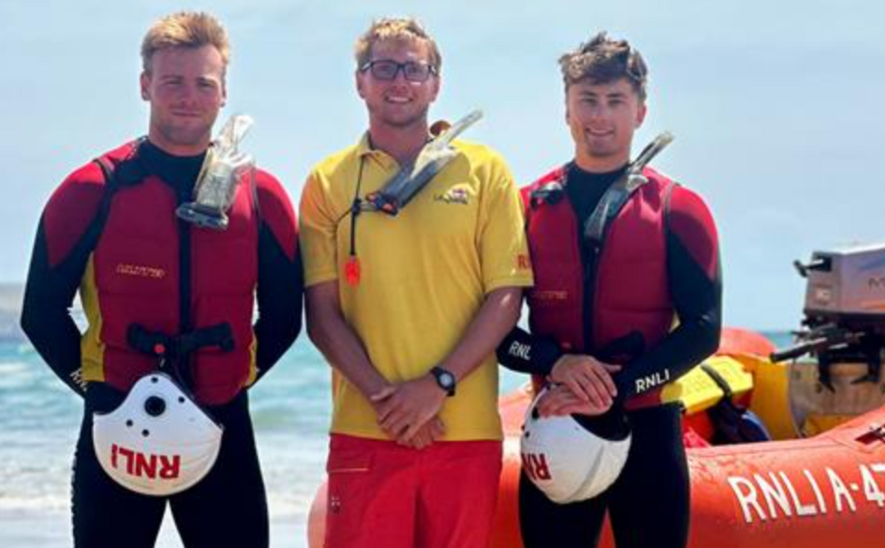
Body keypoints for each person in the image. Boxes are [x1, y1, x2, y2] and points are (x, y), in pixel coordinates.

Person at [20, 11, 303, 548]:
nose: (188, 96)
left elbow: (287, 316)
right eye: (173, 81)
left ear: (224, 93)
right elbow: (41, 313)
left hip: (223, 425)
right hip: (115, 423)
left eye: (204, 83)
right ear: (145, 85)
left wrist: (228, 384)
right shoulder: (92, 189)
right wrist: (98, 391)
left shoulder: (260, 197)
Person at [300, 17, 533, 548]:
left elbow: (506, 295)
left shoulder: (485, 171)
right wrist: (389, 401)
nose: (399, 81)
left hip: (464, 430)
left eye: (413, 69)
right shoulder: (327, 181)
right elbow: (322, 314)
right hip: (365, 429)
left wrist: (437, 386)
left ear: (435, 84)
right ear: (360, 82)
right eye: (383, 68)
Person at [497, 32, 722, 548]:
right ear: (566, 109)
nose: (600, 116)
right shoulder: (525, 209)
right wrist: (557, 364)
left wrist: (615, 389)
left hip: (649, 430)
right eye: (588, 100)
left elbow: (703, 330)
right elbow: (497, 333)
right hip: (555, 424)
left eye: (615, 101)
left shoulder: (678, 209)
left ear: (640, 112)